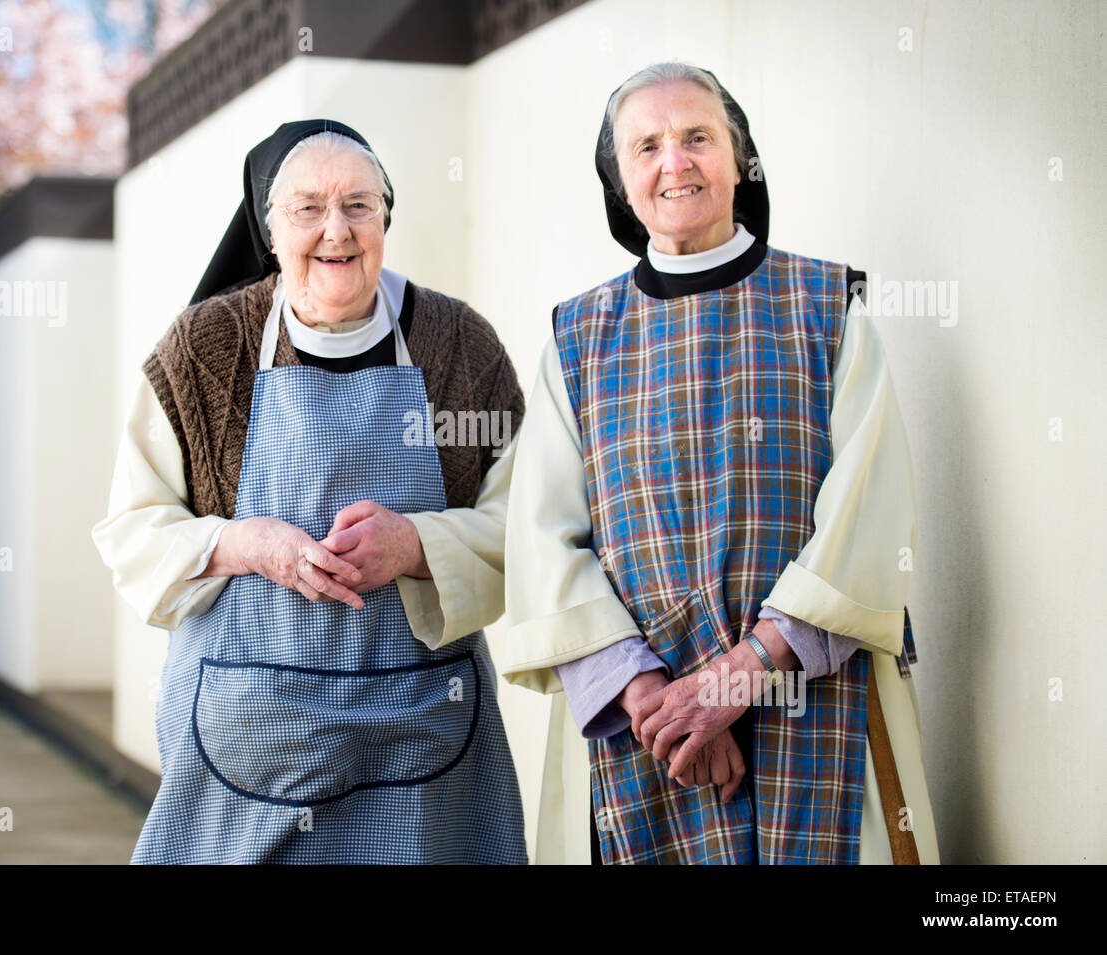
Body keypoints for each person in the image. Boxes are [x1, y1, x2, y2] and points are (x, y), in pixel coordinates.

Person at [500, 63, 940, 864]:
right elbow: (542, 545)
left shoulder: (825, 307)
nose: (676, 163)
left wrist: (734, 680)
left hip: (817, 698)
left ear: (739, 160)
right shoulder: (575, 338)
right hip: (646, 730)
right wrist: (658, 701)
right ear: (620, 183)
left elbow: (871, 517)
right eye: (648, 147)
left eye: (698, 137)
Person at [92, 119, 527, 864]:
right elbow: (132, 529)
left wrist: (419, 544)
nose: (337, 230)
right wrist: (245, 543)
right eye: (308, 208)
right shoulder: (205, 349)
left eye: (360, 204)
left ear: (387, 216)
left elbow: (528, 523)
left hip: (420, 731)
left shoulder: (459, 345)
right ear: (269, 230)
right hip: (252, 739)